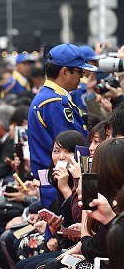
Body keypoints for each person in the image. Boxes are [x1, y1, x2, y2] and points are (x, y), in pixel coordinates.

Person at [28, 44, 95, 206]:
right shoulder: (54, 103)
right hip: (61, 186)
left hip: (56, 183)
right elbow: (71, 146)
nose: (82, 78)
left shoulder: (50, 98)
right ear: (64, 72)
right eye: (80, 72)